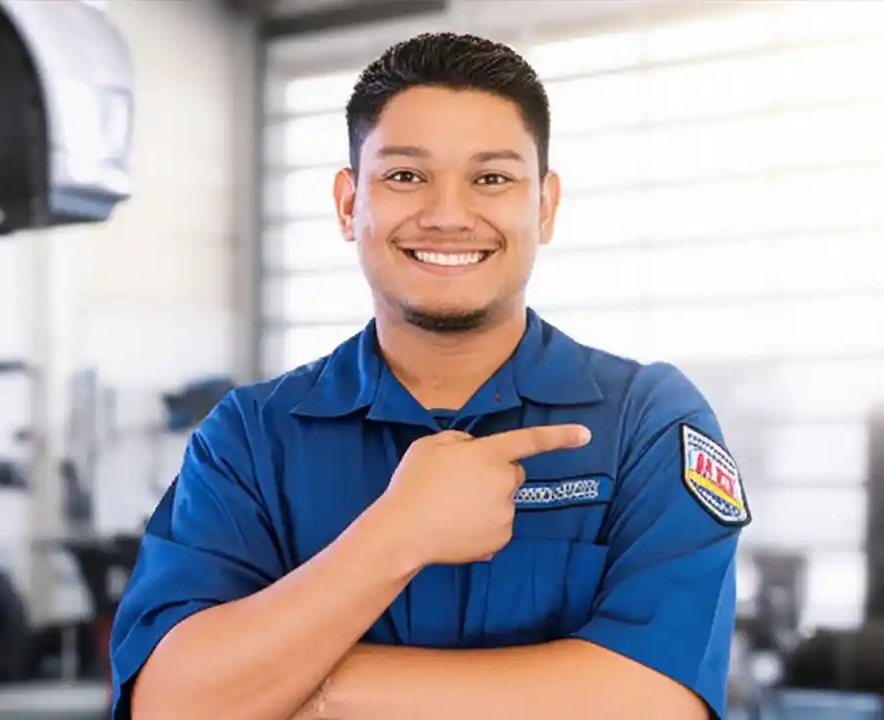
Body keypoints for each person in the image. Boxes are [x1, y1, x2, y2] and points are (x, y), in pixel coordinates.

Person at [110, 32, 750, 720]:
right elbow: (171, 706)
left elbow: (658, 703)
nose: (447, 215)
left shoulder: (646, 423)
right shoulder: (249, 440)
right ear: (349, 204)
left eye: (492, 178)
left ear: (545, 205)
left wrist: (307, 686)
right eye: (406, 176)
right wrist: (397, 534)